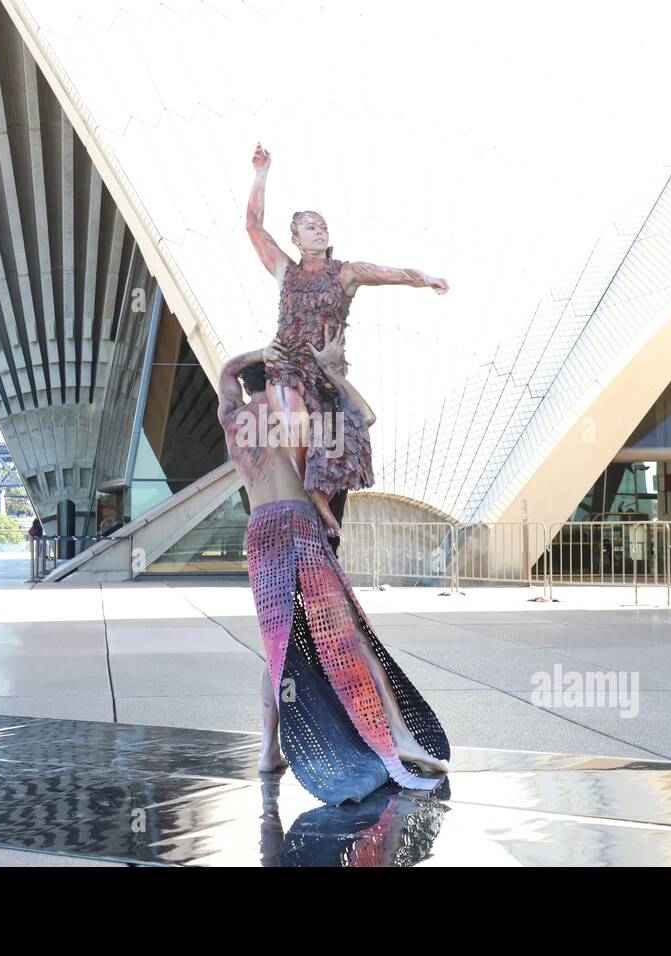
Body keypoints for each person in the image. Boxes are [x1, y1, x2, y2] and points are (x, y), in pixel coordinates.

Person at [218, 332, 450, 806]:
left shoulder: (234, 418)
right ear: (281, 378)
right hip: (298, 527)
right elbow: (361, 418)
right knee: (346, 636)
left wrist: (258, 355)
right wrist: (327, 373)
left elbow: (225, 372)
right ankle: (396, 737)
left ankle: (268, 749)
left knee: (279, 647)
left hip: (260, 529)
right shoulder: (292, 415)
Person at [245, 142, 448, 541]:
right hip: (288, 367)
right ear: (297, 239)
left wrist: (425, 279)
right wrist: (261, 175)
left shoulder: (344, 273)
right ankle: (316, 504)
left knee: (346, 433)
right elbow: (253, 227)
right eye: (310, 226)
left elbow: (389, 272)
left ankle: (326, 513)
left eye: (322, 225)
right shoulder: (286, 270)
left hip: (327, 373)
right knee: (297, 421)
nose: (319, 230)